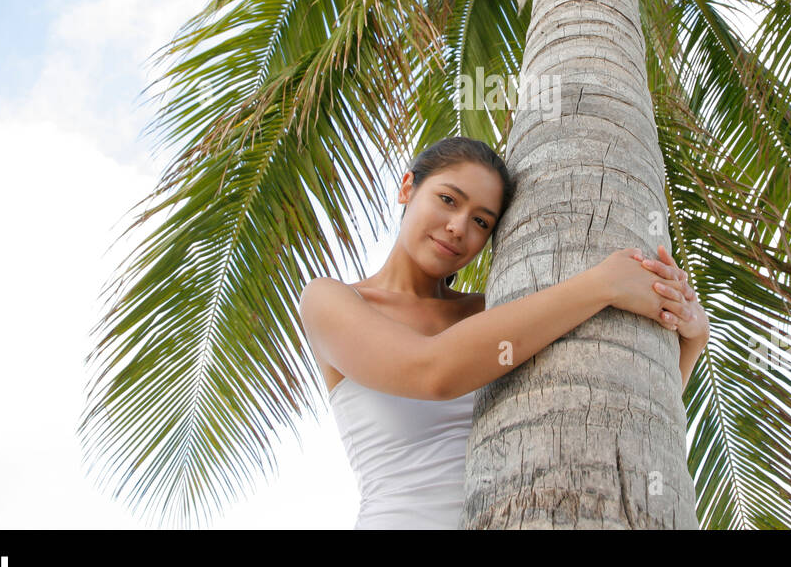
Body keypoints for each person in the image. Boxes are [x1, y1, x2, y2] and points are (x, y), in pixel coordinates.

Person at [300, 136, 707, 529]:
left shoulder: (496, 313)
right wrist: (602, 285)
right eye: (448, 200)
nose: (458, 227)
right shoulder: (331, 300)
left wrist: (690, 340)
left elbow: (607, 403)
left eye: (481, 221)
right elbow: (432, 371)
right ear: (408, 187)